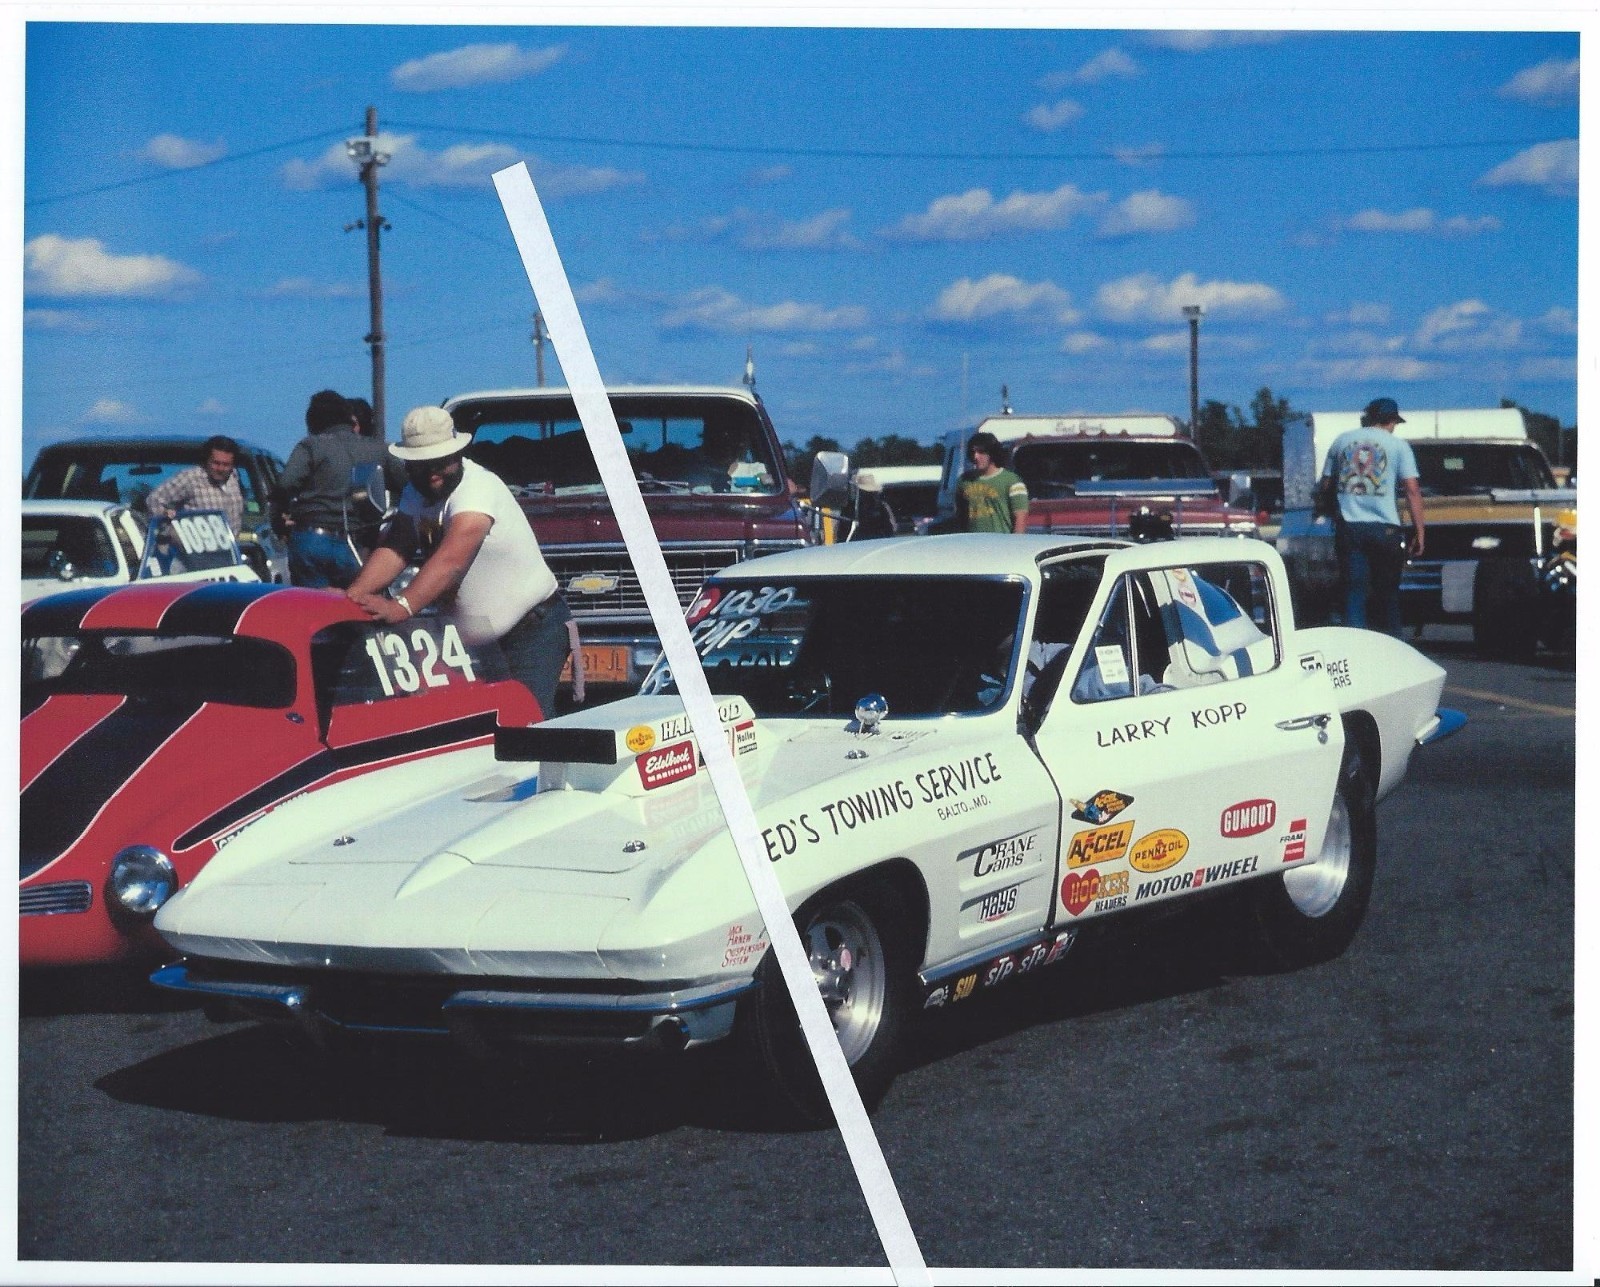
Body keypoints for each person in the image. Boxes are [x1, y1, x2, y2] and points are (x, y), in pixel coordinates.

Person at [345, 405, 573, 717]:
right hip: (471, 643)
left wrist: (400, 606)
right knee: (473, 726)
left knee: (527, 723)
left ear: (457, 454)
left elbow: (451, 561)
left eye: (440, 461)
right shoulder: (415, 492)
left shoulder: (477, 488)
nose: (433, 472)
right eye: (421, 464)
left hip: (531, 631)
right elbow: (397, 546)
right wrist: (354, 596)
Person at [1316, 396, 1425, 637]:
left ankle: (1356, 643)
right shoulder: (1399, 446)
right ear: (1391, 421)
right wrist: (1420, 531)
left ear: (1368, 418)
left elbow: (1325, 485)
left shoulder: (1341, 441)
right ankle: (1393, 643)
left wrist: (1329, 509)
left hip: (1349, 526)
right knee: (1388, 592)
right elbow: (1412, 490)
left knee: (1353, 590)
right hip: (1385, 527)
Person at [272, 390, 388, 588]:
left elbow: (285, 485)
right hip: (357, 543)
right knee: (357, 601)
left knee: (313, 604)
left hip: (311, 540)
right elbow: (405, 482)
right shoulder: (377, 449)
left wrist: (279, 521)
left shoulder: (310, 446)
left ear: (313, 421)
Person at [145, 435, 245, 536]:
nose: (220, 468)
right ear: (207, 460)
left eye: (226, 464)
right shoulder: (191, 478)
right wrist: (170, 528)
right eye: (216, 463)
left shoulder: (235, 477)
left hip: (231, 543)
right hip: (195, 543)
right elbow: (154, 499)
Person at [956, 432, 1029, 533]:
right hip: (972, 541)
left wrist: (1016, 541)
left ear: (992, 453)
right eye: (973, 452)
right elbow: (960, 515)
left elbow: (1020, 518)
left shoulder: (1012, 481)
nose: (976, 456)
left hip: (1001, 540)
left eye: (981, 452)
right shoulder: (964, 481)